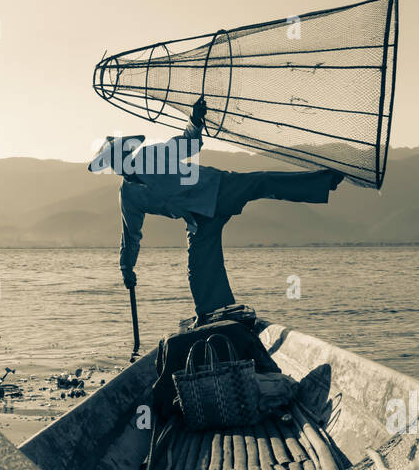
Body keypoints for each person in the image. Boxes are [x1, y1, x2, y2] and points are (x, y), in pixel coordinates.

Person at [87, 96, 343, 321]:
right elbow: (130, 234)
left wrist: (195, 120)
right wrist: (126, 268)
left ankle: (324, 182)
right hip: (198, 218)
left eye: (117, 156)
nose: (117, 164)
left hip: (219, 188)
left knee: (263, 182)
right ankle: (217, 314)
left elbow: (190, 144)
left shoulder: (151, 156)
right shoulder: (128, 195)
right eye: (112, 162)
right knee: (198, 269)